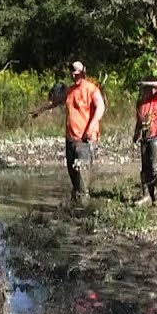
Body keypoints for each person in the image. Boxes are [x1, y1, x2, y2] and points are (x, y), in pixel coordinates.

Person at [31, 60, 106, 205]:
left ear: (83, 72)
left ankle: (83, 207)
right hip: (71, 139)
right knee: (73, 175)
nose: (74, 76)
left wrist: (91, 126)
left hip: (84, 140)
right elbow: (55, 101)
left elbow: (100, 107)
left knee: (82, 176)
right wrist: (40, 110)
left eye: (77, 74)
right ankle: (76, 203)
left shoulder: (91, 89)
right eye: (72, 74)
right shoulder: (70, 90)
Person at [132, 79, 157, 205]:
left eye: (147, 89)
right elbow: (139, 121)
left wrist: (146, 83)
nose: (145, 91)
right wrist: (135, 135)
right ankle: (147, 195)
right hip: (145, 137)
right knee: (145, 169)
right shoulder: (140, 103)